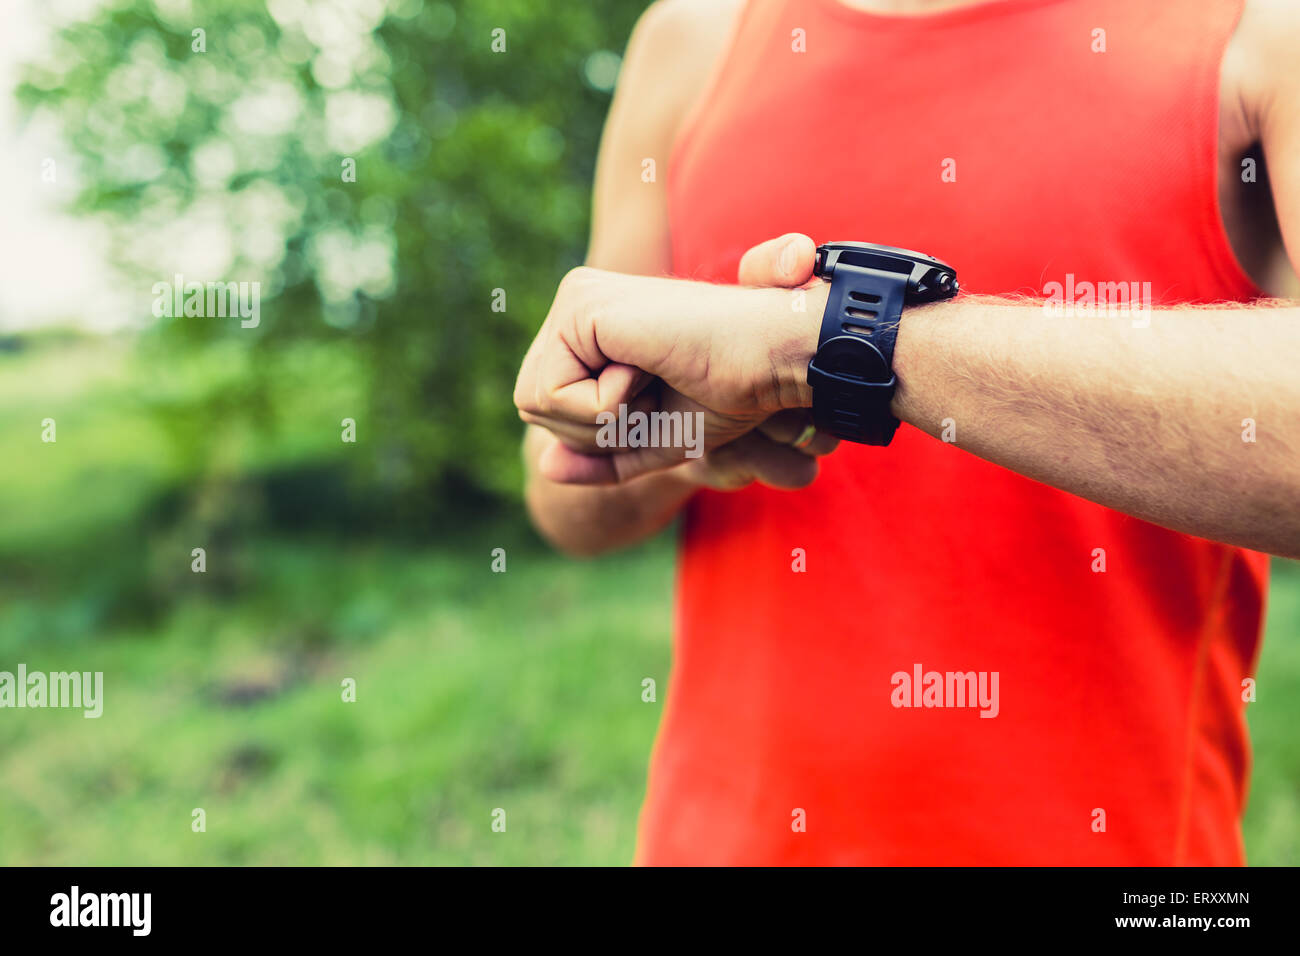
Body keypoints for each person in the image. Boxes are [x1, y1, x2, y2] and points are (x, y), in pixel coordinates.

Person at [515, 0, 1300, 864]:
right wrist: (697, 435)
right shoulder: (691, 39)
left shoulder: (1259, 31)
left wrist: (824, 346)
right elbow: (562, 486)